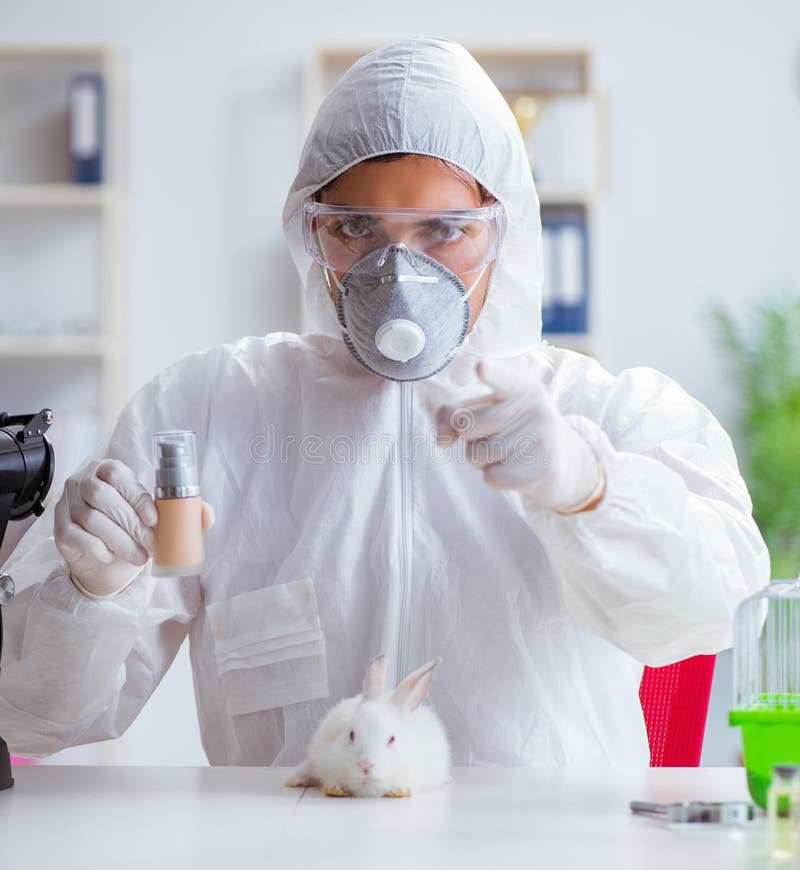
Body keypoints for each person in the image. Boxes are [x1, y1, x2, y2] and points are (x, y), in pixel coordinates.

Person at [0, 37, 768, 767]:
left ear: (505, 232)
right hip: (289, 844)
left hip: (542, 846)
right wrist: (91, 591)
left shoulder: (607, 412)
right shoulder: (209, 410)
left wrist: (587, 487)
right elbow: (33, 718)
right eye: (357, 228)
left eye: (444, 230)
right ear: (311, 230)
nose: (398, 271)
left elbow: (716, 616)